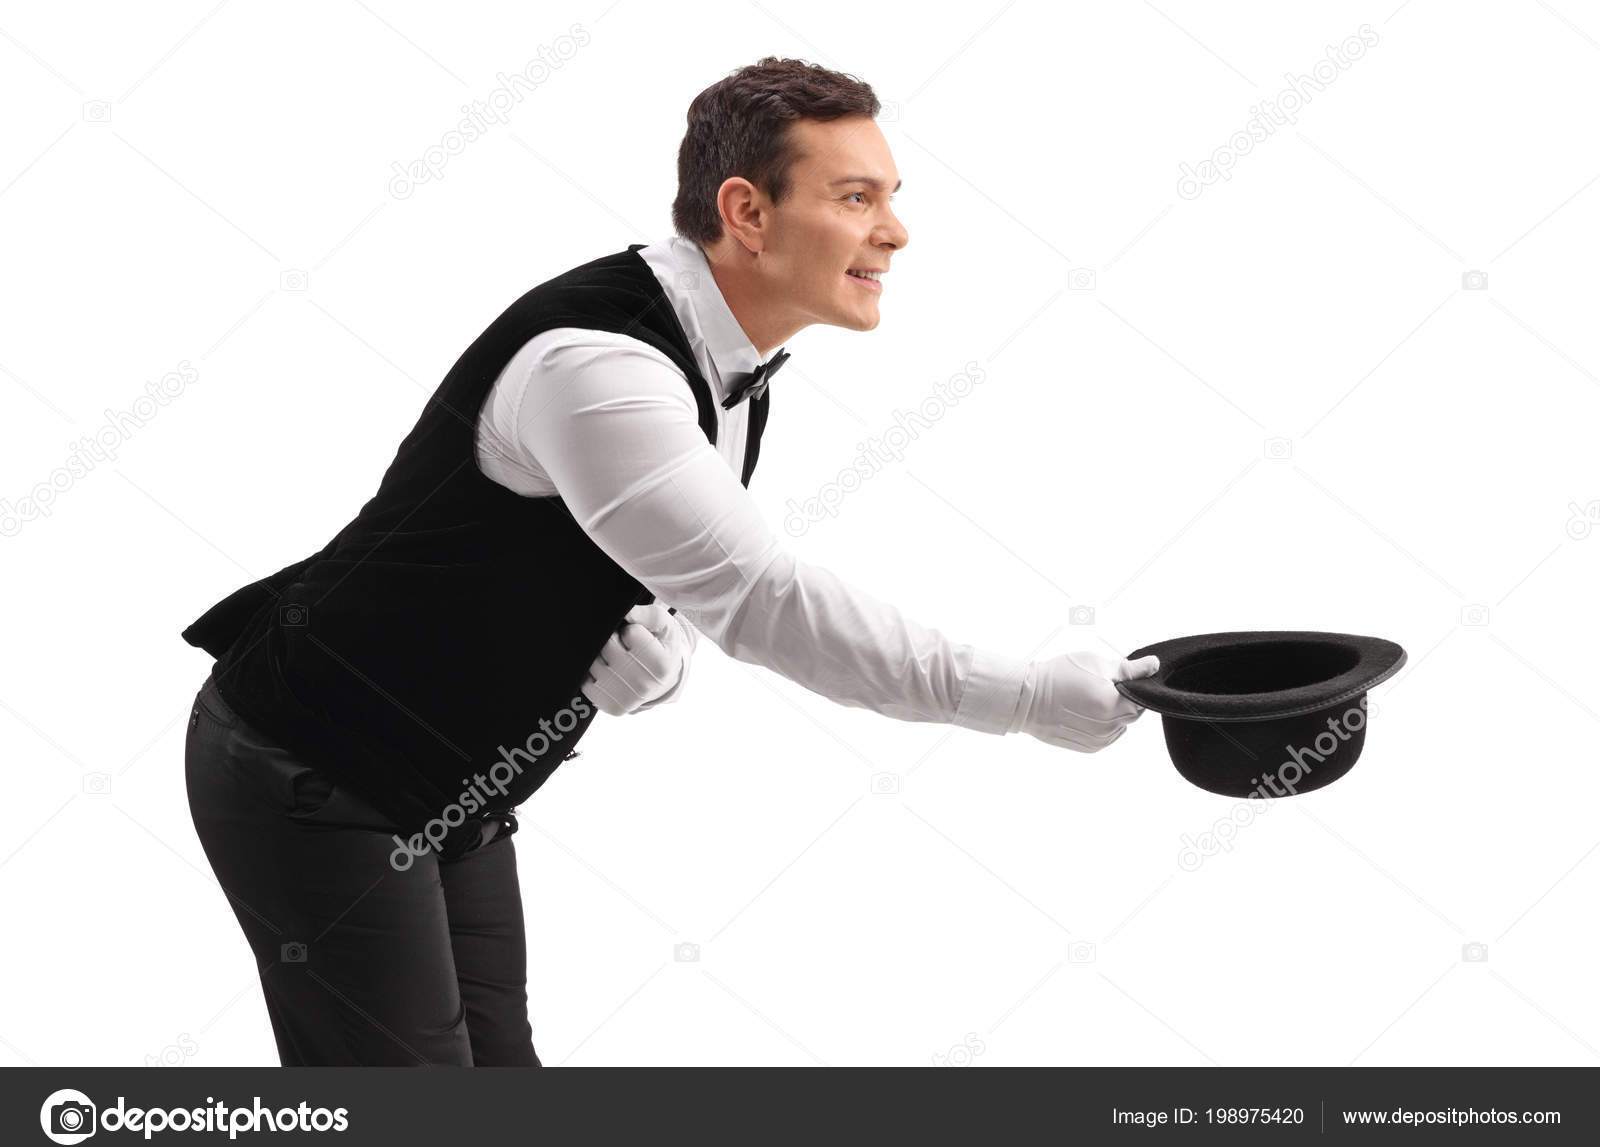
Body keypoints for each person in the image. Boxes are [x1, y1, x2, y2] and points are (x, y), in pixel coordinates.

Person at [182, 55, 1159, 1068]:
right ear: (748, 211)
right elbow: (762, 598)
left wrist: (658, 639)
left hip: (450, 788)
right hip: (311, 769)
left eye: (891, 199)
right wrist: (1030, 697)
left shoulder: (727, 361)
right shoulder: (600, 368)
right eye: (855, 197)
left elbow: (677, 565)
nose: (895, 231)